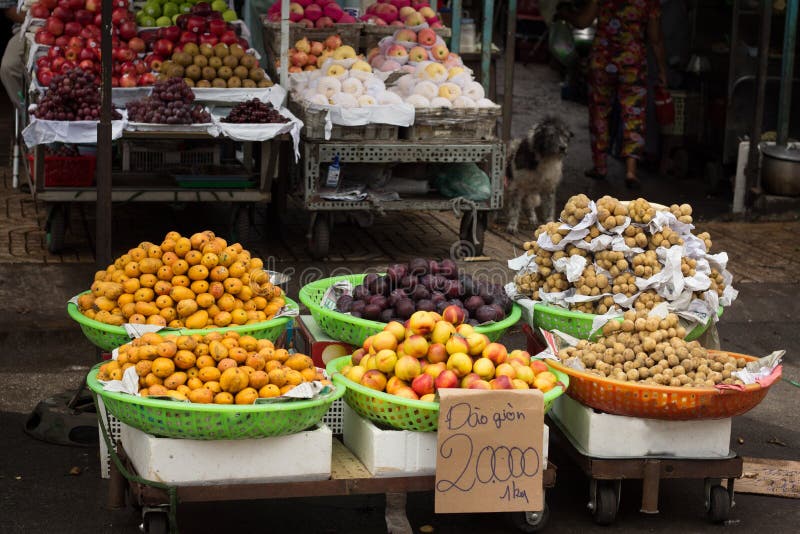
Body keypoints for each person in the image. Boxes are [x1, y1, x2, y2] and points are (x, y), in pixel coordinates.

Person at [561, 0, 667, 188]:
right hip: (633, 62)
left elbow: (583, 22)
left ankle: (600, 166)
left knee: (599, 112)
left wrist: (565, 14)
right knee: (634, 114)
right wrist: (662, 70)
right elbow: (655, 38)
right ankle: (631, 171)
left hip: (603, 60)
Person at [1, 1, 26, 109]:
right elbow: (9, 8)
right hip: (27, 28)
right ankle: (26, 111)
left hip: (77, 27)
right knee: (9, 67)